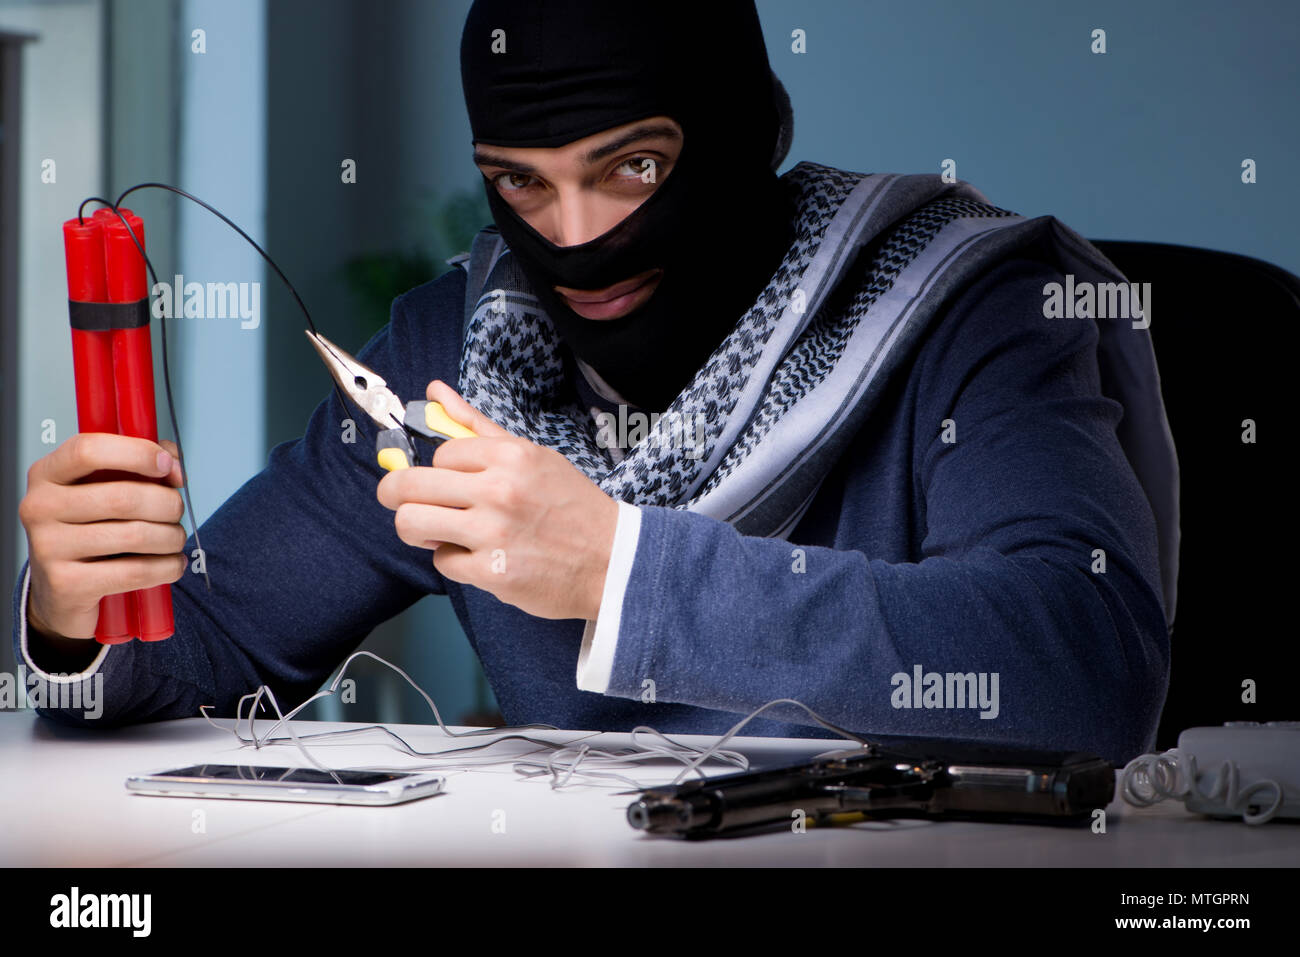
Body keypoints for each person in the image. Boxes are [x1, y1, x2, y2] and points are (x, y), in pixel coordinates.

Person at [13, 0, 1177, 765]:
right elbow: (201, 649)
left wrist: (622, 570)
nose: (575, 242)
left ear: (753, 132)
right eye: (519, 184)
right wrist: (77, 614)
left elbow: (1083, 661)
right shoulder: (449, 350)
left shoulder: (967, 310)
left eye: (634, 166)